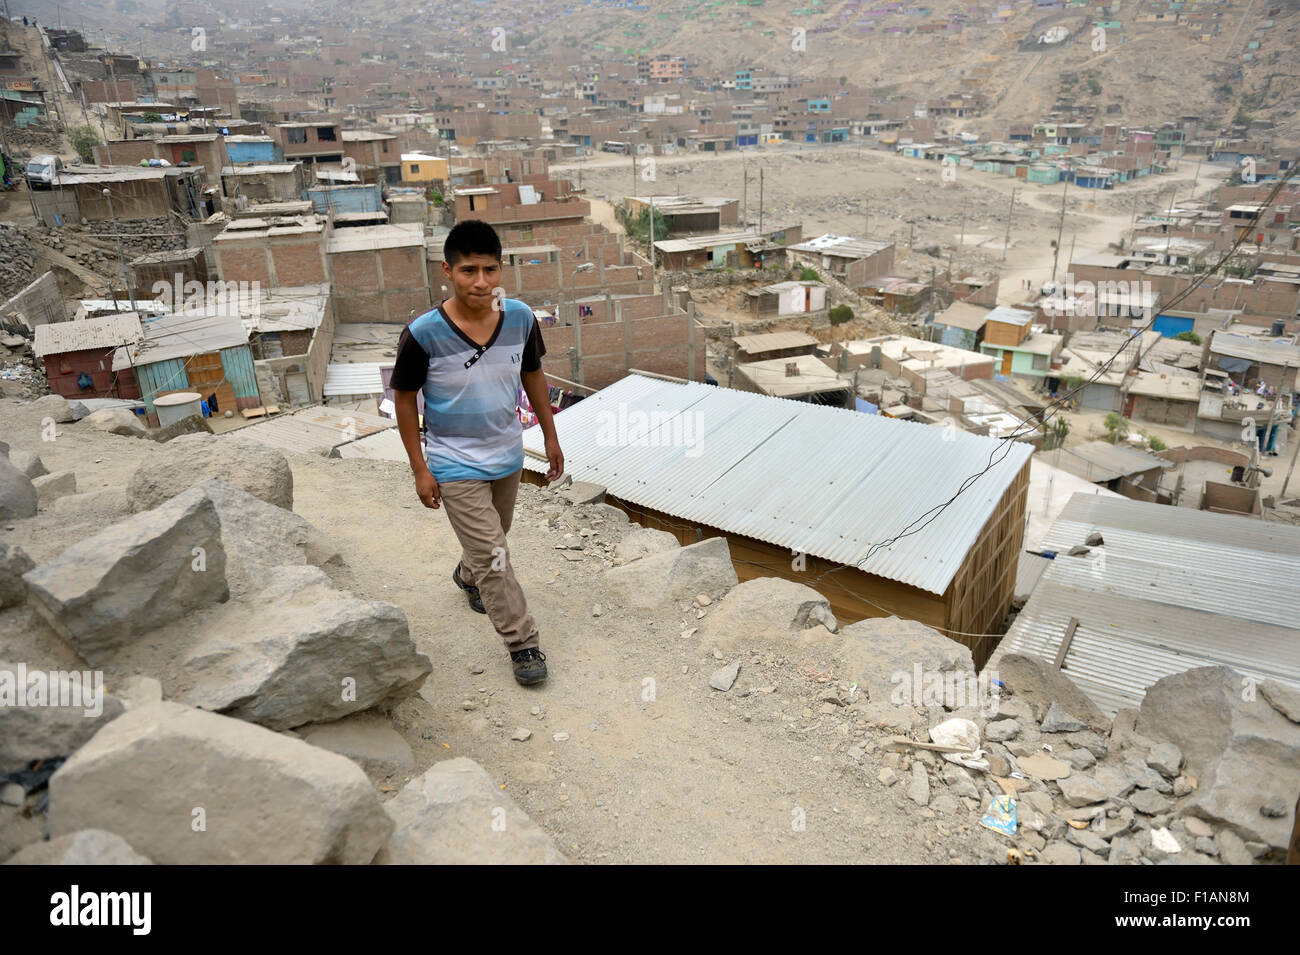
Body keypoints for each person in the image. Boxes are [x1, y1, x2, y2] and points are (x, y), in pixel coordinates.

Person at [390, 220, 564, 686]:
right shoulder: (423, 333)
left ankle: (468, 575)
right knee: (495, 554)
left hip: (507, 455)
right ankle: (523, 643)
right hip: (453, 461)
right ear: (447, 270)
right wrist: (420, 468)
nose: (481, 282)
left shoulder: (522, 318)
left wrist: (550, 436)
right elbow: (405, 399)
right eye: (469, 271)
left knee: (494, 536)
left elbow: (533, 375)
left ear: (501, 267)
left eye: (489, 270)